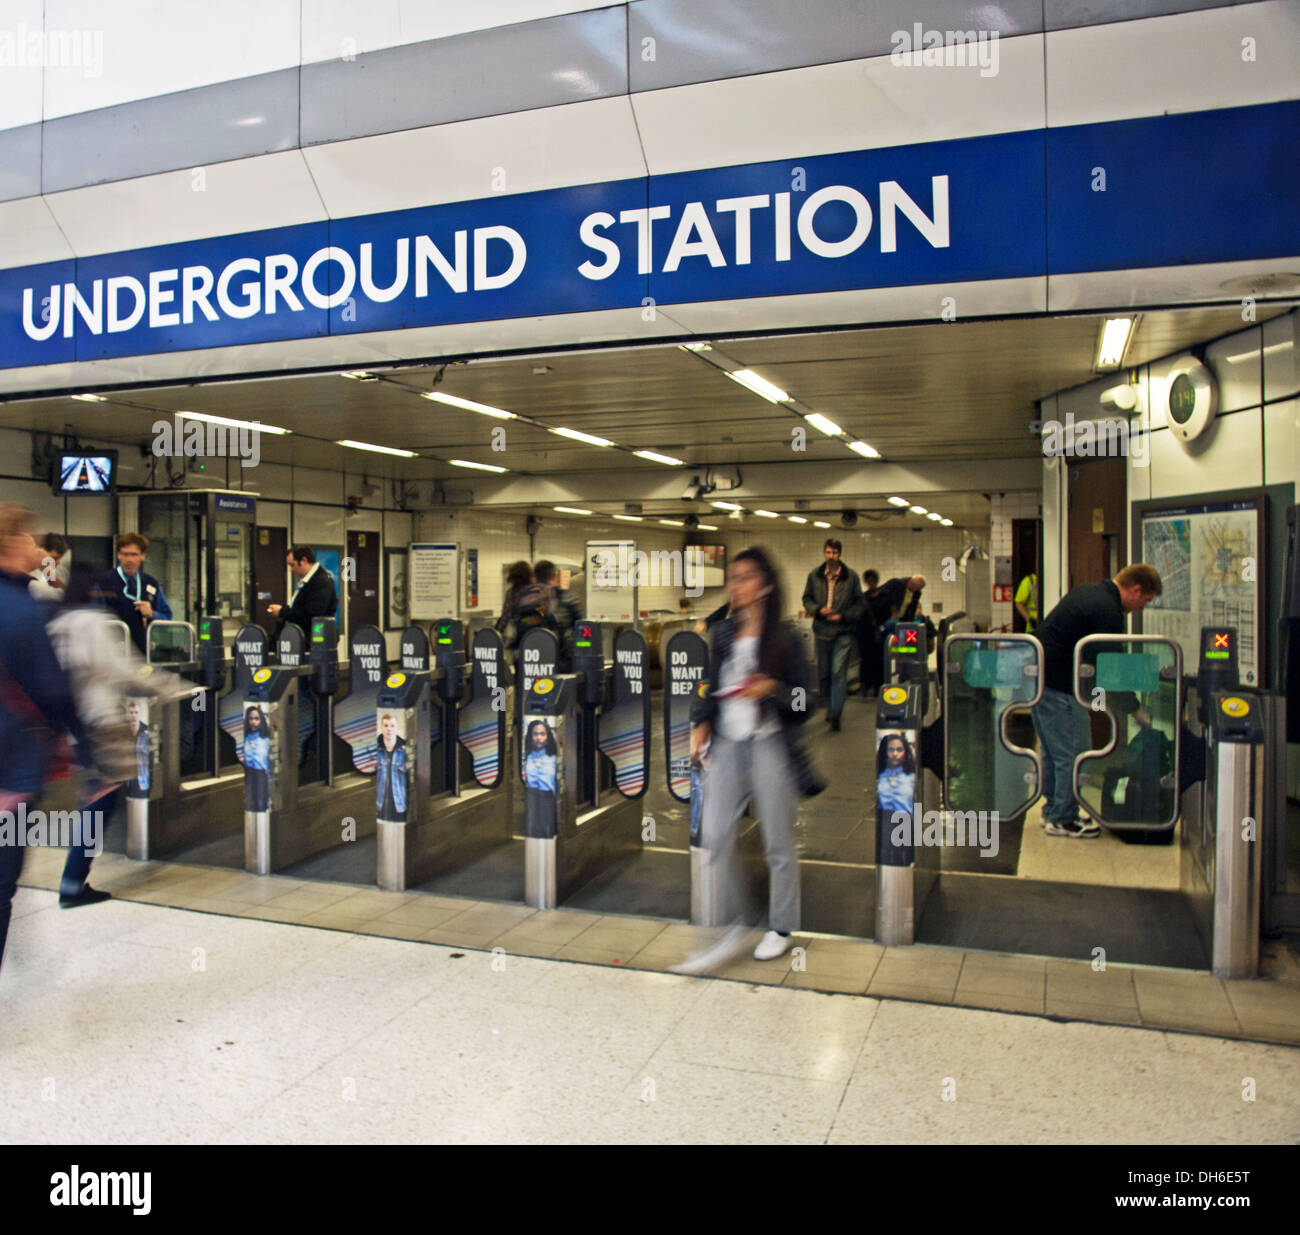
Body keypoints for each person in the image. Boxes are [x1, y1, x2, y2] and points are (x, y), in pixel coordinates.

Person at [679, 547, 812, 971]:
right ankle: (736, 922)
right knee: (714, 834)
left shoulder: (786, 639)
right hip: (728, 744)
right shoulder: (721, 634)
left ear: (765, 584)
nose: (735, 586)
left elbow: (807, 699)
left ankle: (782, 927)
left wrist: (770, 689)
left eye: (744, 578)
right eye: (732, 579)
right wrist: (699, 724)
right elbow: (707, 684)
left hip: (769, 744)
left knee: (777, 841)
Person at [0, 504, 84, 967]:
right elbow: (53, 691)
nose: (36, 546)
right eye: (29, 538)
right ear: (12, 546)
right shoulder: (25, 609)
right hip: (13, 768)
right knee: (0, 882)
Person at [47, 563, 153, 908]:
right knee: (101, 800)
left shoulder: (58, 622)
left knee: (95, 797)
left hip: (75, 725)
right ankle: (73, 881)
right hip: (103, 723)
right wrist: (176, 688)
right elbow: (122, 670)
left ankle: (74, 879)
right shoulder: (93, 624)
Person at [1032, 563, 1162, 838]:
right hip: (1059, 686)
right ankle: (1063, 818)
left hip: (1041, 681)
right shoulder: (1108, 611)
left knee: (1056, 752)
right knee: (1076, 752)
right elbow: (1112, 666)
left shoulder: (1091, 593)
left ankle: (1053, 811)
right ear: (1136, 589)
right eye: (1145, 600)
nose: (1143, 607)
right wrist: (1135, 709)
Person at [801, 538, 863, 732]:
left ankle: (836, 713)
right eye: (828, 552)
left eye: (835, 553)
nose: (831, 556)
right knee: (825, 674)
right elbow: (807, 598)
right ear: (824, 553)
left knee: (838, 672)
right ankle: (829, 707)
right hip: (821, 631)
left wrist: (842, 616)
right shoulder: (814, 575)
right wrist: (818, 610)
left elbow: (859, 604)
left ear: (840, 554)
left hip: (843, 632)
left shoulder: (851, 577)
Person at [98, 532, 172, 653]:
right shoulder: (104, 582)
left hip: (144, 652)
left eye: (134, 555)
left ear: (142, 556)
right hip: (113, 652)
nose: (129, 559)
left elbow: (167, 617)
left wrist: (152, 614)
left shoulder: (151, 583)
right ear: (118, 556)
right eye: (125, 554)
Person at [267, 546, 336, 642]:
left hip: (312, 642)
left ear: (303, 560)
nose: (291, 570)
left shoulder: (321, 582)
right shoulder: (307, 581)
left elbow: (311, 614)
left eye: (292, 565)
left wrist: (282, 612)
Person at [533, 560, 582, 669]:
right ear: (555, 576)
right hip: (563, 654)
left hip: (535, 655)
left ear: (535, 577)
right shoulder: (567, 596)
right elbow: (579, 625)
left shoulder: (528, 599)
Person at [522, 718, 559, 837]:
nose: (539, 738)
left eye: (542, 734)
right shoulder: (527, 755)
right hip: (531, 794)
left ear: (548, 736)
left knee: (546, 828)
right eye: (535, 734)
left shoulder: (553, 756)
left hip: (547, 796)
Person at [375, 713, 407, 821]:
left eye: (392, 726)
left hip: (399, 807)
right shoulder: (375, 750)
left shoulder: (405, 751)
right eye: (386, 725)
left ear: (397, 728)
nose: (389, 729)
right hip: (380, 807)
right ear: (381, 727)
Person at [876, 732, 917, 819]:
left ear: (905, 752)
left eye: (899, 750)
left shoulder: (912, 777)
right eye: (891, 750)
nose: (895, 754)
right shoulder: (879, 776)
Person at [495, 561, 534, 650]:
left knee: (519, 660)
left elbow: (506, 616)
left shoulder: (512, 593)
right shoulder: (535, 591)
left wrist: (496, 633)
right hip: (535, 634)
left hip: (518, 635)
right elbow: (542, 612)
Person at [857, 569, 882, 696]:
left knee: (877, 661)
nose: (871, 583)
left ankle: (876, 687)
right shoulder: (863, 598)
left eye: (873, 580)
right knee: (867, 661)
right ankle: (866, 686)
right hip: (866, 635)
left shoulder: (882, 596)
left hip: (875, 634)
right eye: (869, 580)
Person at [243, 706, 271, 812]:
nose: (253, 722)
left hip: (261, 773)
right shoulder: (245, 737)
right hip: (248, 773)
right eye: (251, 719)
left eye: (256, 719)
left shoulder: (266, 738)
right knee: (249, 803)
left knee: (260, 802)